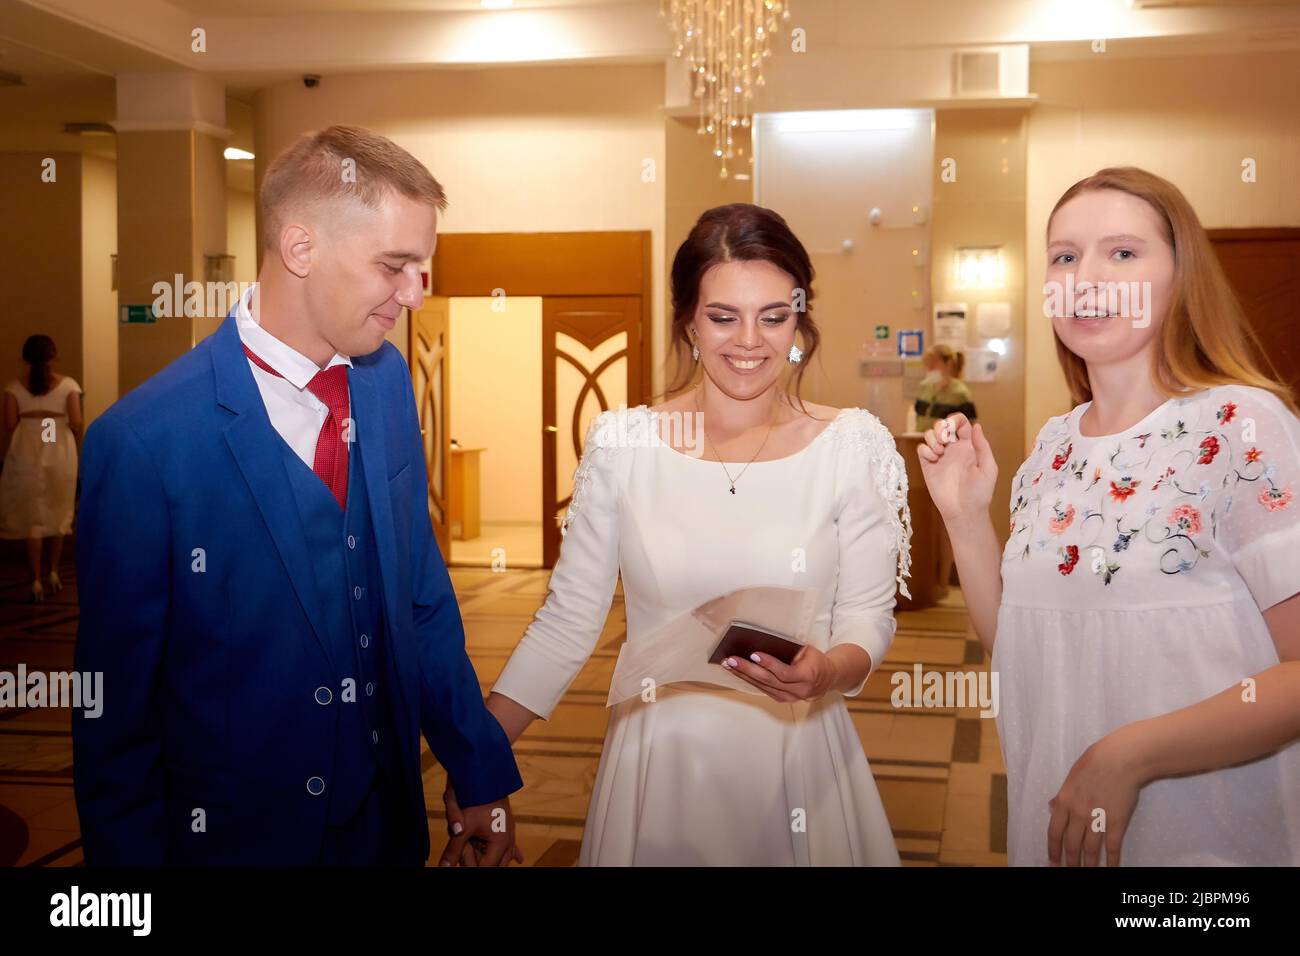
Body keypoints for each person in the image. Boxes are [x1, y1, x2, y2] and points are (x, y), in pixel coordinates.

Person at [72, 125, 522, 866]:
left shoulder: (383, 388)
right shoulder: (144, 442)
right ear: (301, 247)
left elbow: (420, 600)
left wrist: (476, 773)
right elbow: (113, 714)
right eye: (395, 266)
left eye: (422, 267)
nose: (415, 294)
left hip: (385, 831)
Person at [453, 203, 912, 866]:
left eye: (773, 316)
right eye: (724, 316)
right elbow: (567, 623)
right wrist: (478, 765)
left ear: (799, 324)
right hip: (657, 760)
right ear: (689, 322)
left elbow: (868, 619)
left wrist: (826, 672)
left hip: (796, 755)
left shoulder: (852, 448)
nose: (749, 341)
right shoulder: (624, 444)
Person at [918, 166, 1300, 866]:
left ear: (1181, 276)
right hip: (1064, 830)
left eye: (1122, 252)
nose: (1086, 277)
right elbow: (1023, 645)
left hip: (1204, 850)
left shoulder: (1241, 425)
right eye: (1065, 257)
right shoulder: (1053, 446)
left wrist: (1131, 755)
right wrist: (966, 518)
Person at [0, 335, 82, 602]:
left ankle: (34, 578)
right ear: (53, 356)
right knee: (57, 511)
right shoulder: (68, 385)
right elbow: (77, 421)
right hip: (58, 448)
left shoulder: (14, 388)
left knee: (32, 516)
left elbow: (10, 423)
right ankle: (54, 572)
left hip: (26, 448)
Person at [915, 343, 976, 594]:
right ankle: (926, 579)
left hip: (950, 459)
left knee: (946, 521)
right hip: (926, 456)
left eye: (933, 363)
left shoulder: (960, 392)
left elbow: (969, 426)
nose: (929, 369)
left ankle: (944, 579)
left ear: (946, 364)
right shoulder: (925, 388)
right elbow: (920, 420)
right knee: (924, 519)